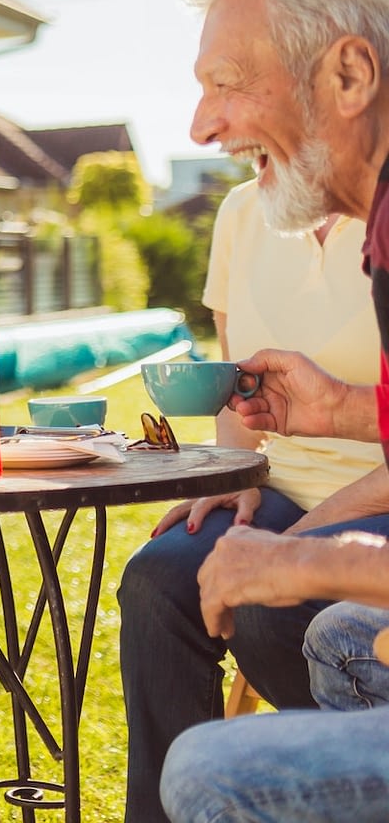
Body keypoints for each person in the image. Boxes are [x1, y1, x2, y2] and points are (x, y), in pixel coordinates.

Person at [151, 0, 389, 821]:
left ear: (349, 74)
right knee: (183, 584)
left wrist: (298, 557)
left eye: (228, 85)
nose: (202, 124)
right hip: (299, 498)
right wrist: (334, 411)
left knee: (215, 770)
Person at [117, 179, 389, 823]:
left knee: (270, 602)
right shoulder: (242, 211)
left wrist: (287, 551)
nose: (209, 128)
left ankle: (319, 792)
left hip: (373, 496)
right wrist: (231, 471)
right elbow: (240, 376)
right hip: (277, 484)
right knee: (156, 579)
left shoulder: (376, 215)